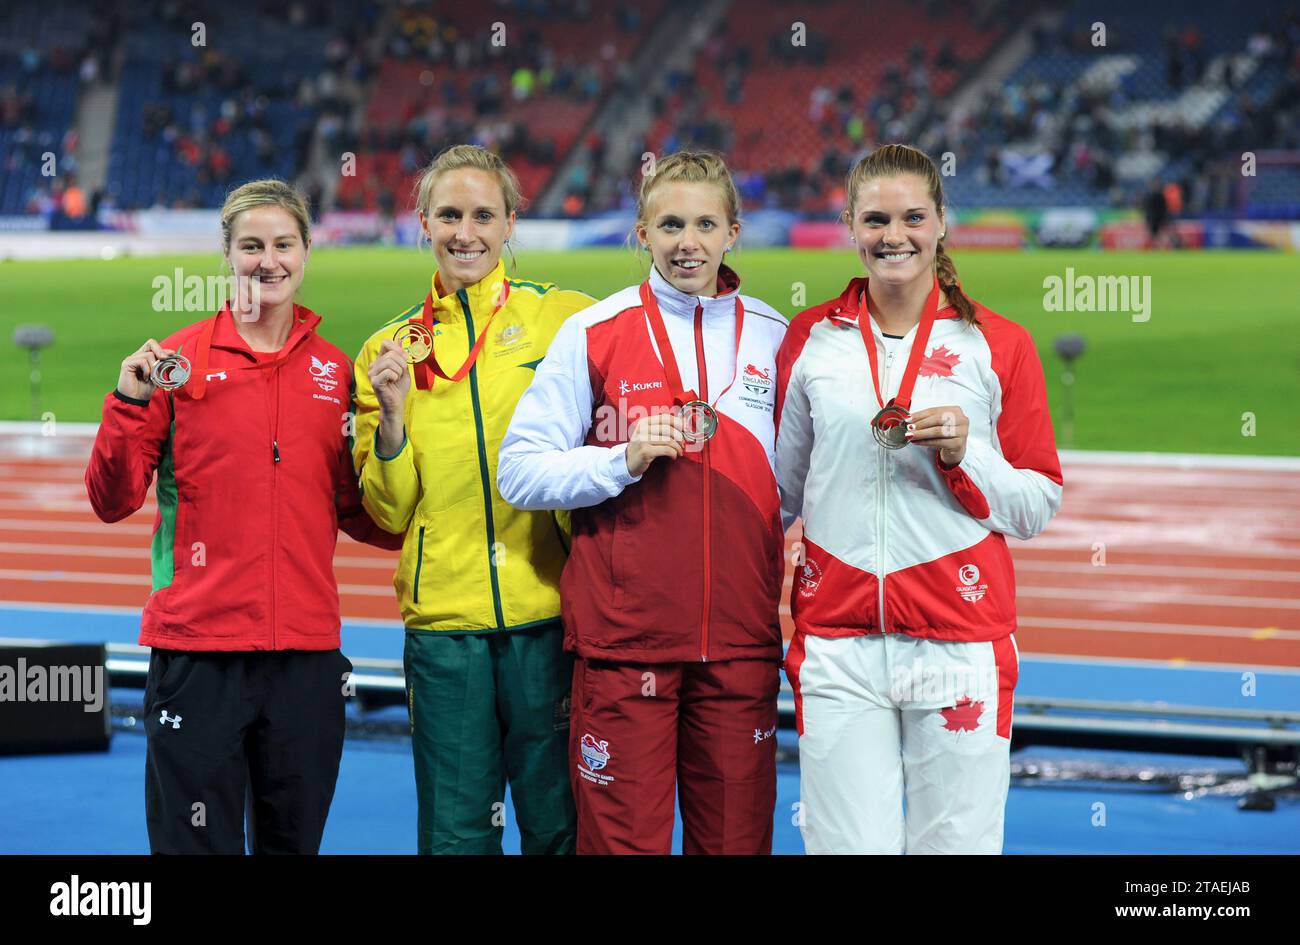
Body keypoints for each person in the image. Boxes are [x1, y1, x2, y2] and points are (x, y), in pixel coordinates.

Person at [85, 179, 400, 854]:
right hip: (198, 654)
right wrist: (126, 403)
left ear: (307, 250)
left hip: (307, 661)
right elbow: (112, 500)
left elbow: (369, 514)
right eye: (251, 245)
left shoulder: (334, 371)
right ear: (227, 255)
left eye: (284, 243)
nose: (269, 260)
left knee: (294, 845)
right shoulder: (175, 363)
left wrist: (401, 442)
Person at [497, 151, 788, 854]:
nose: (687, 241)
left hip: (739, 645)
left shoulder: (777, 336)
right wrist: (618, 461)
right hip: (626, 646)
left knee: (735, 844)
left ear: (733, 231)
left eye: (704, 224)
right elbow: (519, 471)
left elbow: (800, 478)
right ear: (641, 233)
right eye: (669, 224)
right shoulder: (595, 331)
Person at [775, 143, 1063, 854]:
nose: (892, 235)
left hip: (959, 640)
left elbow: (1035, 503)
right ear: (848, 223)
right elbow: (781, 489)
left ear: (940, 223)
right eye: (875, 219)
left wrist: (972, 457)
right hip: (838, 643)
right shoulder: (810, 339)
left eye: (912, 217)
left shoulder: (1000, 344)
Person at [351, 144, 593, 855]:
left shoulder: (564, 321)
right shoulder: (386, 351)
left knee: (560, 827)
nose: (466, 231)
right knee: (457, 836)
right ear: (422, 221)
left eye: (483, 214)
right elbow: (389, 514)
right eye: (449, 214)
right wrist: (392, 416)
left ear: (511, 221)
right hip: (444, 629)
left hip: (547, 616)